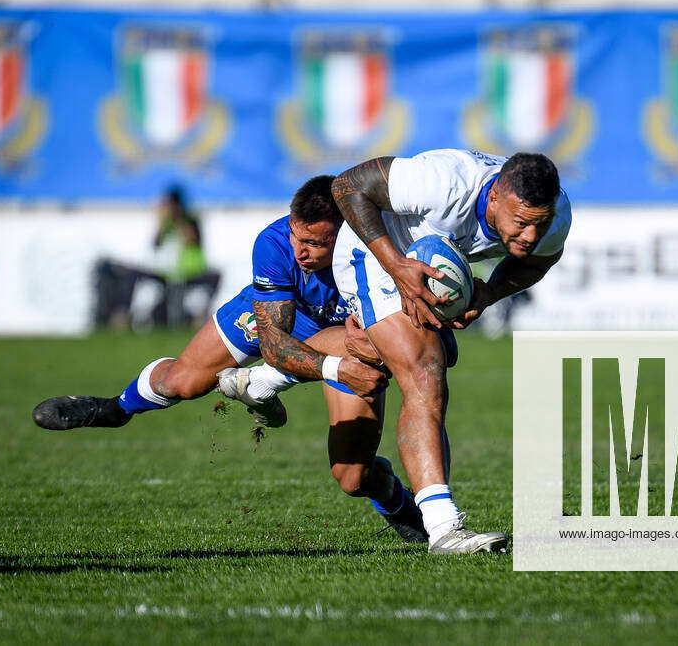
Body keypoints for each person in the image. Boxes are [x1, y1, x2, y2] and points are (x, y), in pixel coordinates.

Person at [32, 176, 427, 542]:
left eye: (316, 244)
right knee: (181, 382)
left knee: (352, 477)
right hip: (285, 318)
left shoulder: (385, 252)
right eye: (296, 236)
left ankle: (396, 502)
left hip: (348, 338)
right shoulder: (274, 243)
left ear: (345, 237)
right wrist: (330, 363)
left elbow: (412, 339)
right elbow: (275, 340)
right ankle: (116, 408)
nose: (300, 252)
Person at [330, 149, 571, 553]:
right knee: (425, 370)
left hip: (425, 266)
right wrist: (395, 265)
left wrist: (489, 292)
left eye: (539, 224)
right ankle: (444, 529)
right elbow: (347, 185)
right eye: (522, 223)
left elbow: (540, 259)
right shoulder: (443, 181)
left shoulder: (554, 215)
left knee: (358, 463)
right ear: (494, 196)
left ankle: (273, 373)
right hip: (373, 255)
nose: (530, 235)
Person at [93, 184, 221, 329]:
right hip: (165, 270)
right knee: (132, 274)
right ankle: (123, 313)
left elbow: (192, 241)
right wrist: (162, 224)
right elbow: (155, 244)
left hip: (189, 270)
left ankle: (193, 318)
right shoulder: (165, 222)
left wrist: (178, 219)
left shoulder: (190, 220)